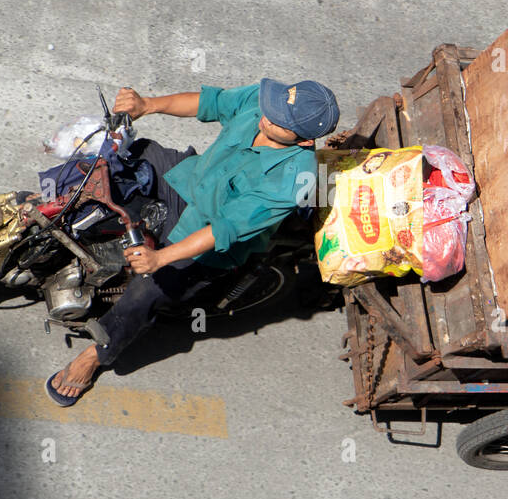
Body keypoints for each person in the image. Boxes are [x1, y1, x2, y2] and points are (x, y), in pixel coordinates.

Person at [45, 78, 339, 405]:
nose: (268, 116)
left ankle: (95, 356)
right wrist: (147, 105)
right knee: (121, 160)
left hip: (208, 236)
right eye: (273, 108)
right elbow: (211, 103)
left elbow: (224, 229)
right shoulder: (268, 103)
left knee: (146, 291)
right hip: (189, 177)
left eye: (280, 121)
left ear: (304, 140)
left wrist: (160, 258)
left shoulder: (293, 179)